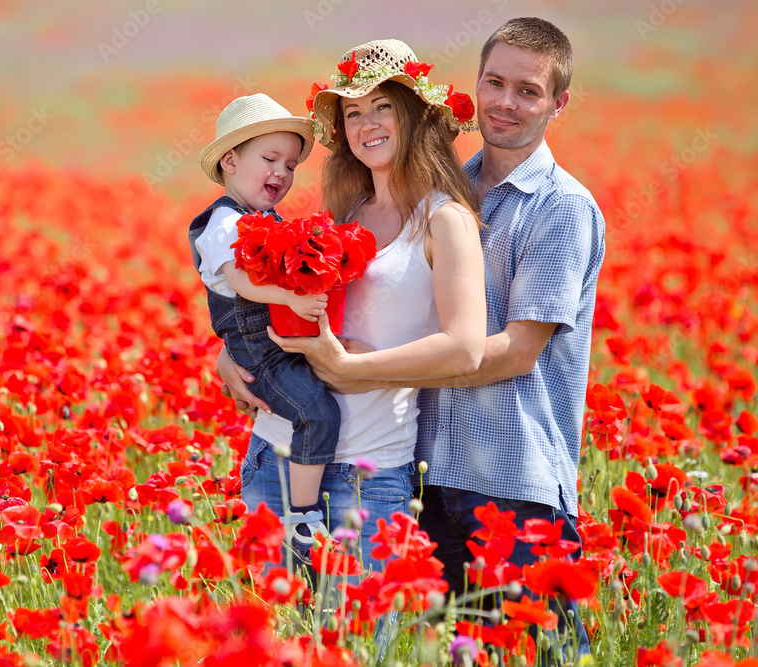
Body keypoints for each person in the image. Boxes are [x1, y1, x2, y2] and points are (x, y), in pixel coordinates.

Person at [255, 18, 605, 661]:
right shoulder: (439, 190)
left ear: (558, 104)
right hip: (423, 470)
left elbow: (519, 349)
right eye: (494, 82)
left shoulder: (562, 206)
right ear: (474, 85)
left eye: (527, 91)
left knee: (537, 653)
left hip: (512, 477)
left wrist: (355, 371)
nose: (505, 101)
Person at [220, 39, 488, 573]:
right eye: (353, 112)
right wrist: (230, 356)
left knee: (359, 645)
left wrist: (352, 368)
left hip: (369, 475)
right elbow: (285, 306)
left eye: (382, 106)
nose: (367, 124)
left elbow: (464, 349)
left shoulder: (444, 220)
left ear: (413, 114)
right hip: (276, 453)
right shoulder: (341, 212)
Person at [191, 93, 339, 564]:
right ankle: (303, 518)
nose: (281, 172)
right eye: (270, 158)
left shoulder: (262, 220)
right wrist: (291, 298)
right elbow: (238, 278)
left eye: (291, 165)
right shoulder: (224, 224)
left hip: (275, 345)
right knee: (317, 414)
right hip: (259, 353)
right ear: (230, 162)